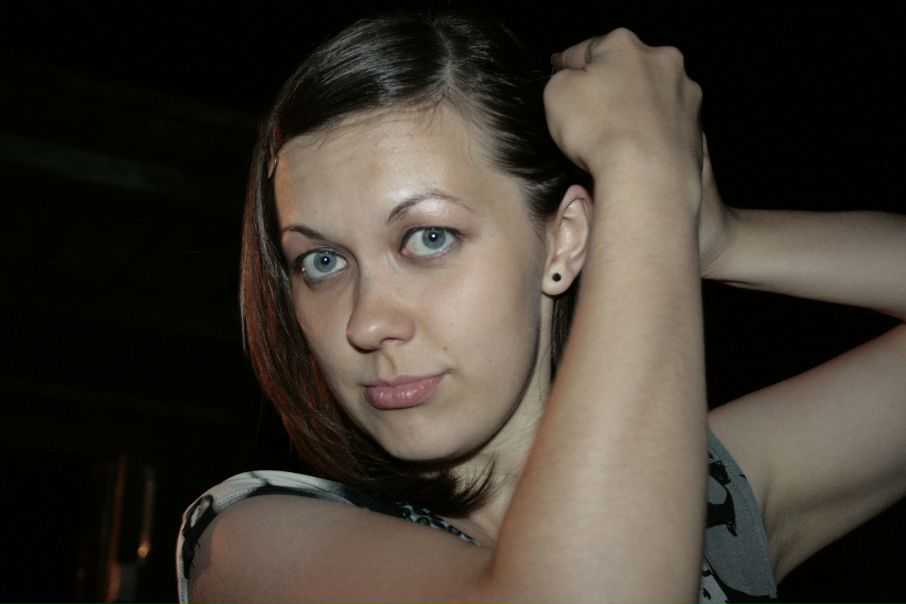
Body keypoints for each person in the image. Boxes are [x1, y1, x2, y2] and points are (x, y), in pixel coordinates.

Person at [176, 11, 906, 603]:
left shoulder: (703, 500)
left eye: (429, 237)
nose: (366, 323)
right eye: (322, 261)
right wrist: (647, 169)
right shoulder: (251, 543)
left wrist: (720, 239)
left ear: (565, 240)